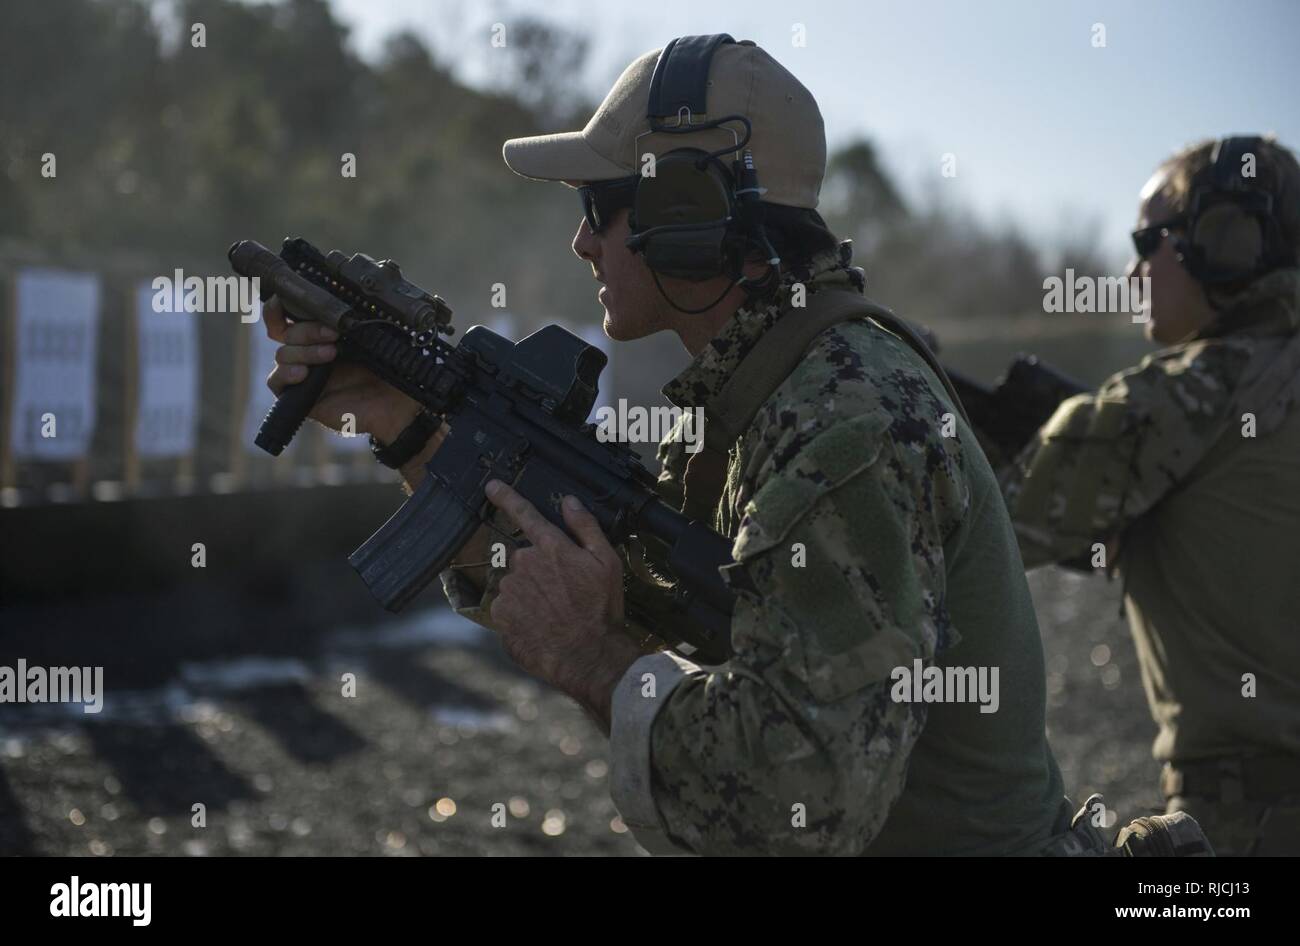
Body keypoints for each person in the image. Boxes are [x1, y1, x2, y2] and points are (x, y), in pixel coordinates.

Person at [264, 35, 1076, 855]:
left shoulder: (842, 421)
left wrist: (592, 654)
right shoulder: (768, 385)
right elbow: (644, 611)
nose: (582, 244)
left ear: (682, 210)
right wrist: (405, 430)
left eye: (595, 209)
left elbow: (797, 800)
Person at [997, 136, 1300, 855]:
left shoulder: (1172, 400)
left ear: (1223, 242)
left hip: (1244, 822)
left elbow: (976, 525)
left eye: (1149, 240)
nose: (1133, 270)